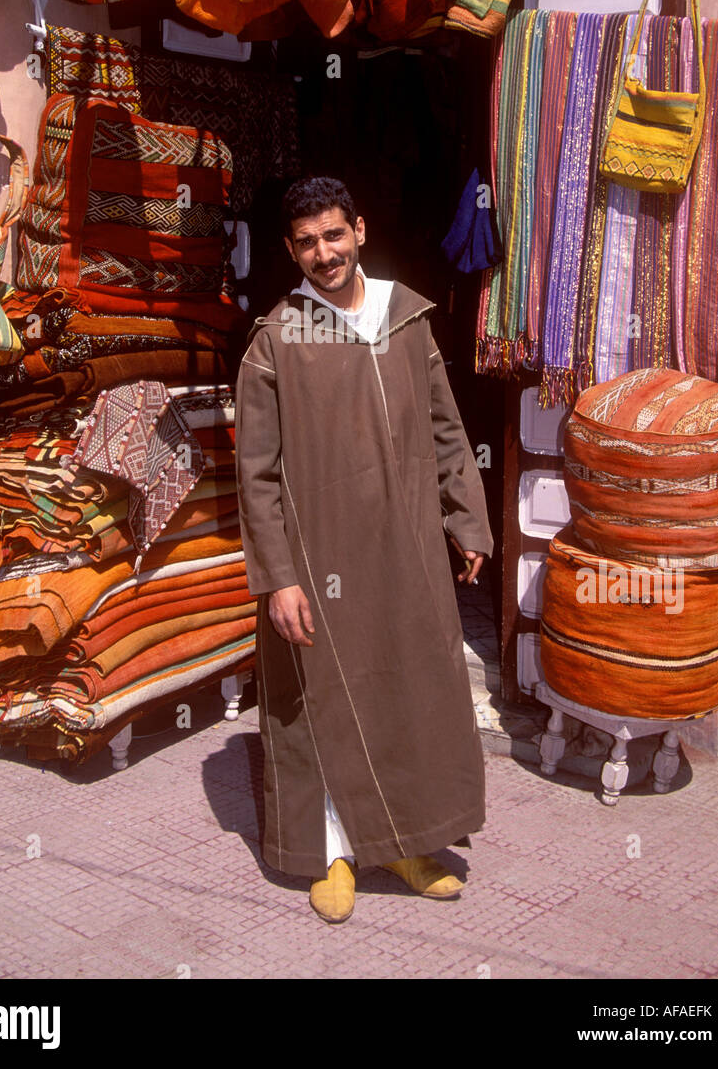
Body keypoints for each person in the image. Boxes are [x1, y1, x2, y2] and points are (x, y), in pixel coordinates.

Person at [235, 176, 493, 923]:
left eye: (333, 235)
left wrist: (465, 519)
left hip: (404, 548)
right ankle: (332, 853)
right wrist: (278, 579)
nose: (323, 253)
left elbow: (447, 430)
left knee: (410, 688)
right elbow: (254, 476)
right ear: (289, 251)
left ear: (359, 230)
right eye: (306, 243)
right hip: (317, 557)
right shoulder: (276, 341)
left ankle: (405, 841)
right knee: (320, 699)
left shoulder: (406, 317)